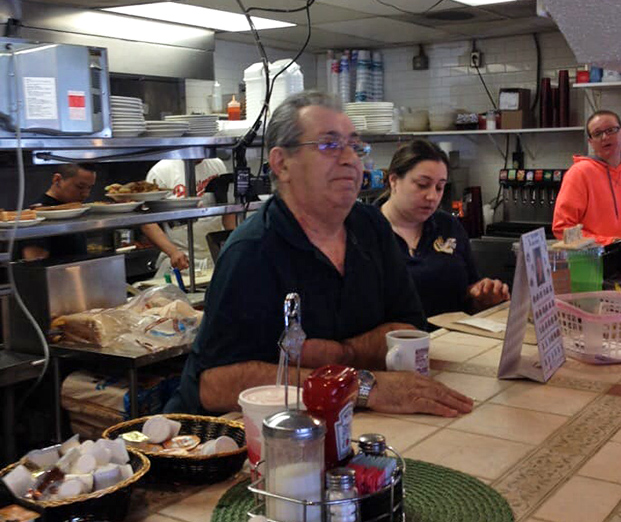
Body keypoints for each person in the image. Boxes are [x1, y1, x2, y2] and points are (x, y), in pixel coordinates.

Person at [166, 91, 473, 419]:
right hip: (229, 436)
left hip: (340, 420)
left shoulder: (371, 227)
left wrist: (340, 354)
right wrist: (359, 385)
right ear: (282, 164)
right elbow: (215, 385)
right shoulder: (252, 251)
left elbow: (409, 331)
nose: (350, 159)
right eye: (329, 145)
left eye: (355, 146)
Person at [379, 140, 509, 319]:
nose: (432, 196)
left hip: (452, 334)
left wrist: (482, 295)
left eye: (440, 187)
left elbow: (469, 292)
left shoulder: (448, 226)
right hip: (397, 337)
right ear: (394, 181)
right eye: (422, 185)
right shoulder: (368, 230)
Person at [552, 110, 621, 244]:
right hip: (597, 255)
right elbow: (563, 229)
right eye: (597, 133)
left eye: (611, 130)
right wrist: (609, 242)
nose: (605, 137)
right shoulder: (579, 173)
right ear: (590, 141)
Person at [140, 157, 232, 272]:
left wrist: (232, 242)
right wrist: (173, 252)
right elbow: (146, 221)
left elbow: (227, 209)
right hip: (181, 258)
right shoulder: (161, 171)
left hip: (215, 254)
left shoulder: (217, 164)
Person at [22, 162, 97, 261]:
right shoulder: (39, 212)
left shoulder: (75, 209)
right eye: (80, 187)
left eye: (89, 187)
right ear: (57, 180)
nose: (86, 194)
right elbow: (34, 260)